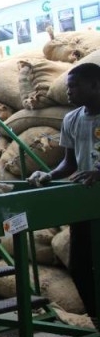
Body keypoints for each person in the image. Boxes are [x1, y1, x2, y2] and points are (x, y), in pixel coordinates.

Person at [28, 63, 100, 323]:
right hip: (85, 203)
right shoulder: (72, 119)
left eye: (75, 86)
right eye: (68, 87)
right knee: (80, 265)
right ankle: (96, 316)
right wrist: (48, 175)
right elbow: (69, 163)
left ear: (95, 85)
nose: (69, 92)